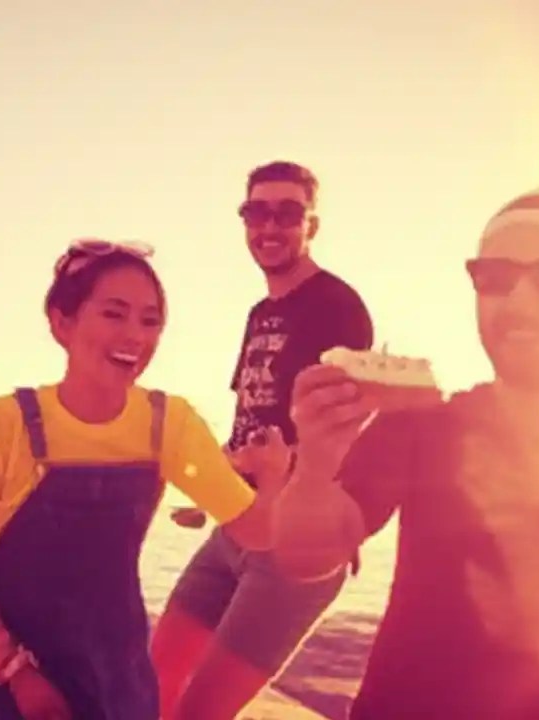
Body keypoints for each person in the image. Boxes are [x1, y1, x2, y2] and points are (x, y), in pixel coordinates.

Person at [274, 183, 539, 719]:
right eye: (495, 278)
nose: (519, 301)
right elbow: (305, 557)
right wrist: (315, 465)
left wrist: (521, 539)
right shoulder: (424, 424)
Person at [0, 239, 293, 720]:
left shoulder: (168, 424)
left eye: (150, 321)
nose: (134, 335)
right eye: (114, 314)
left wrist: (272, 478)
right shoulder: (2, 425)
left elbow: (256, 533)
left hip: (109, 673)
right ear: (62, 323)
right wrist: (17, 669)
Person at [152, 160, 375, 719]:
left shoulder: (337, 307)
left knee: (198, 713)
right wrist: (218, 479)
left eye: (287, 213)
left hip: (293, 545)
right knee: (150, 685)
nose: (269, 226)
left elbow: (348, 424)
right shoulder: (261, 313)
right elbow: (253, 417)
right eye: (256, 212)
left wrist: (284, 467)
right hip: (239, 522)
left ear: (311, 225)